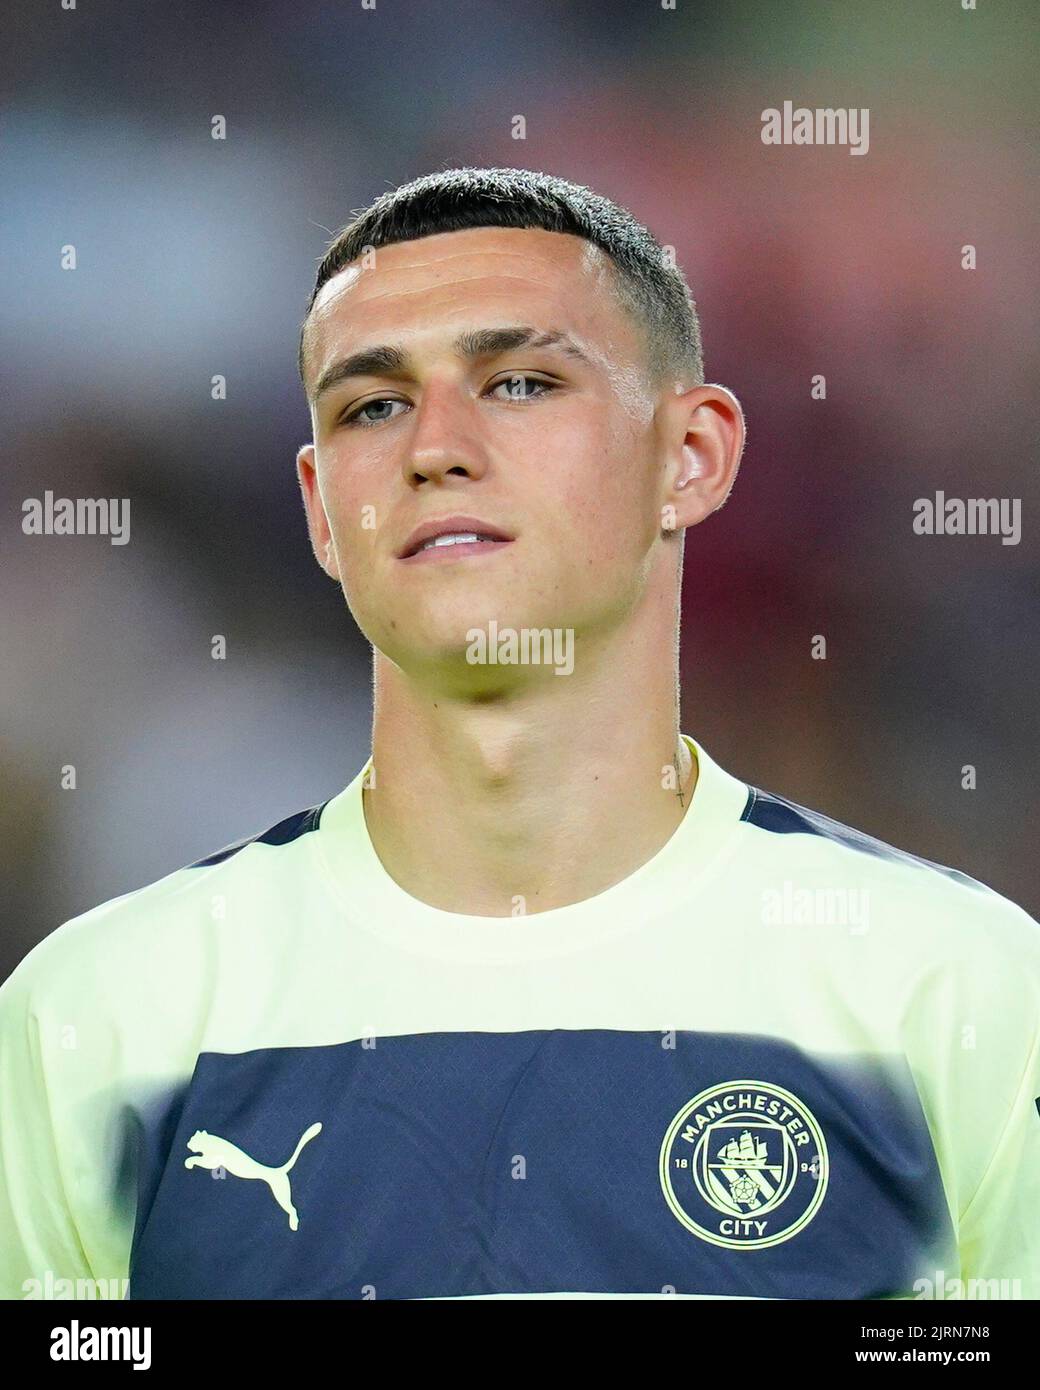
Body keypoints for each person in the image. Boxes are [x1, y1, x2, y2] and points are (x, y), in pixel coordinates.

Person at [1, 167, 1037, 1301]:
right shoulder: (93, 1022)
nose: (434, 446)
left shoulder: (956, 993)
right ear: (318, 510)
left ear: (688, 455)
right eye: (371, 404)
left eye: (523, 381)